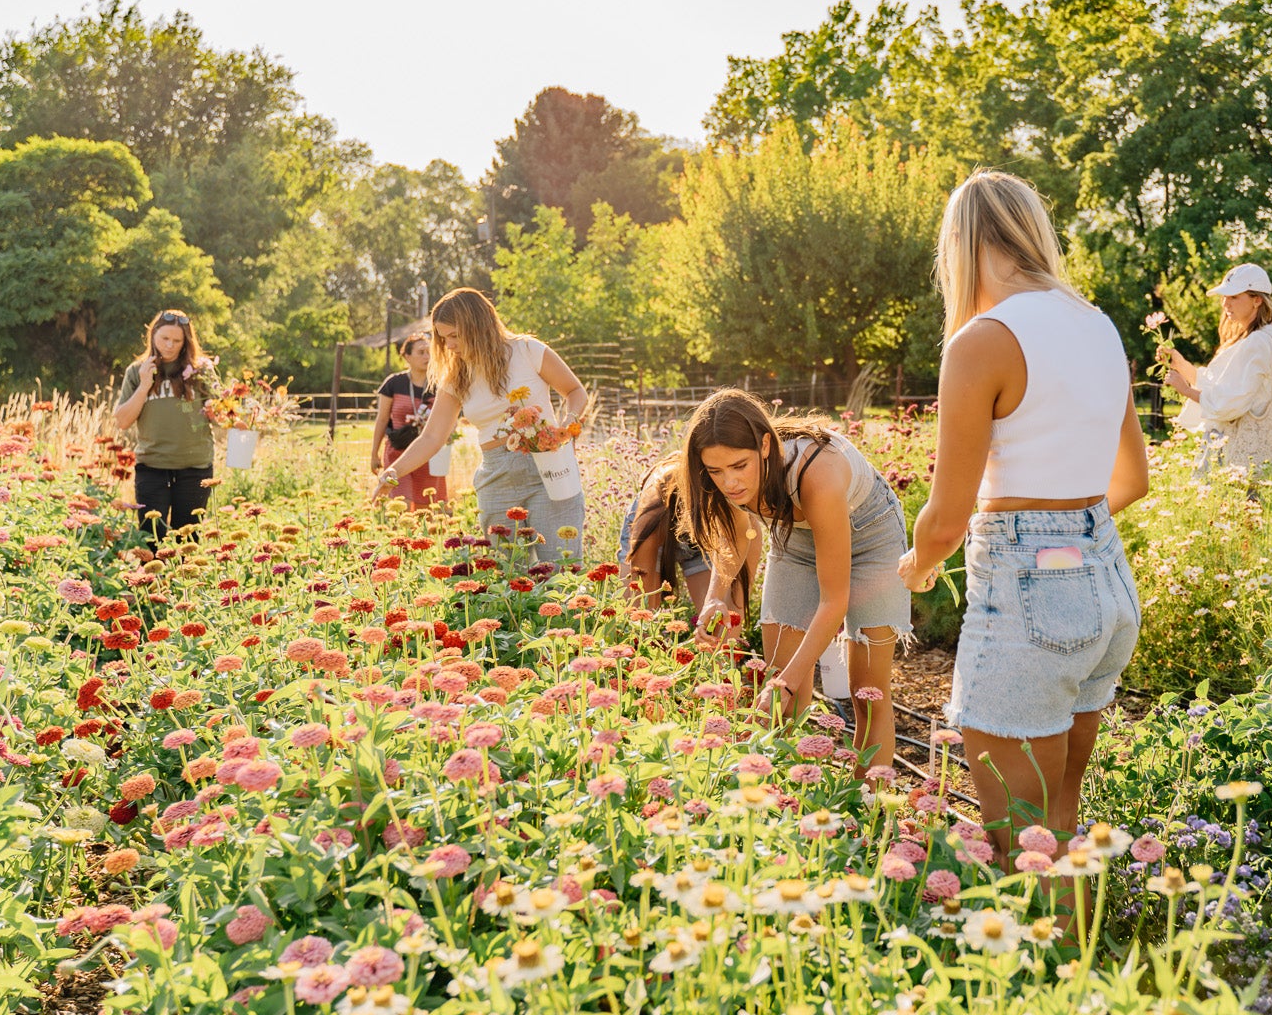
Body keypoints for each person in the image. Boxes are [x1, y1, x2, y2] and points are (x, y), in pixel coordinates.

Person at [897, 170, 1149, 866]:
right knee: (1056, 830)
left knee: (1022, 845)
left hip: (1032, 600)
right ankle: (1076, 969)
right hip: (1106, 583)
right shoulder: (1097, 324)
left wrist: (917, 565)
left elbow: (946, 519)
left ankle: (1046, 970)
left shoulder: (982, 340)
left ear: (961, 244)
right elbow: (1133, 479)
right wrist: (1069, 533)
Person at [682, 389, 911, 772]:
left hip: (873, 537)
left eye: (740, 465)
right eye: (717, 471)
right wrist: (715, 597)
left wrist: (786, 682)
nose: (730, 483)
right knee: (779, 681)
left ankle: (871, 813)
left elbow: (833, 601)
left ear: (766, 445)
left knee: (866, 694)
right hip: (796, 540)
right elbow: (734, 534)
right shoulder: (718, 476)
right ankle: (787, 802)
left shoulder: (816, 473)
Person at [372, 288, 589, 566]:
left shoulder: (528, 350)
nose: (448, 345)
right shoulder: (457, 376)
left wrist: (567, 427)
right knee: (508, 576)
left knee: (561, 569)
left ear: (477, 326)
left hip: (548, 468)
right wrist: (393, 471)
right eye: (443, 338)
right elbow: (432, 436)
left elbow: (575, 391)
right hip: (496, 479)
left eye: (454, 335)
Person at [1165, 263, 1272, 477]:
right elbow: (1216, 387)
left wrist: (1186, 391)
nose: (1225, 303)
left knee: (1239, 506)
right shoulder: (1251, 339)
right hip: (1234, 453)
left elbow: (1230, 402)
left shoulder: (1259, 341)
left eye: (1234, 297)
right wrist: (1180, 364)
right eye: (1224, 297)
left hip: (1242, 458)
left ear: (1257, 300)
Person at [111, 310, 217, 537]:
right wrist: (144, 385)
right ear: (153, 336)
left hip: (195, 468)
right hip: (152, 467)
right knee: (151, 540)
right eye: (164, 339)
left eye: (176, 341)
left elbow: (222, 413)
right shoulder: (136, 371)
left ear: (186, 342)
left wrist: (234, 417)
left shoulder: (201, 371)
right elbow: (122, 421)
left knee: (188, 542)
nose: (169, 345)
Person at [618, 453, 762, 613]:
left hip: (706, 535)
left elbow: (737, 603)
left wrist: (727, 636)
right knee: (637, 617)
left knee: (717, 621)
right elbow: (641, 603)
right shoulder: (655, 508)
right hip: (658, 523)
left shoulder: (740, 515)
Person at [370, 333, 453, 512]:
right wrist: (374, 453)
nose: (427, 356)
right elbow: (382, 419)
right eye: (421, 352)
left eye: (429, 352)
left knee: (427, 507)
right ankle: (400, 539)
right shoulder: (394, 383)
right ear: (407, 356)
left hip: (428, 455)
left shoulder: (439, 385)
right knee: (401, 504)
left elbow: (450, 420)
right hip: (397, 453)